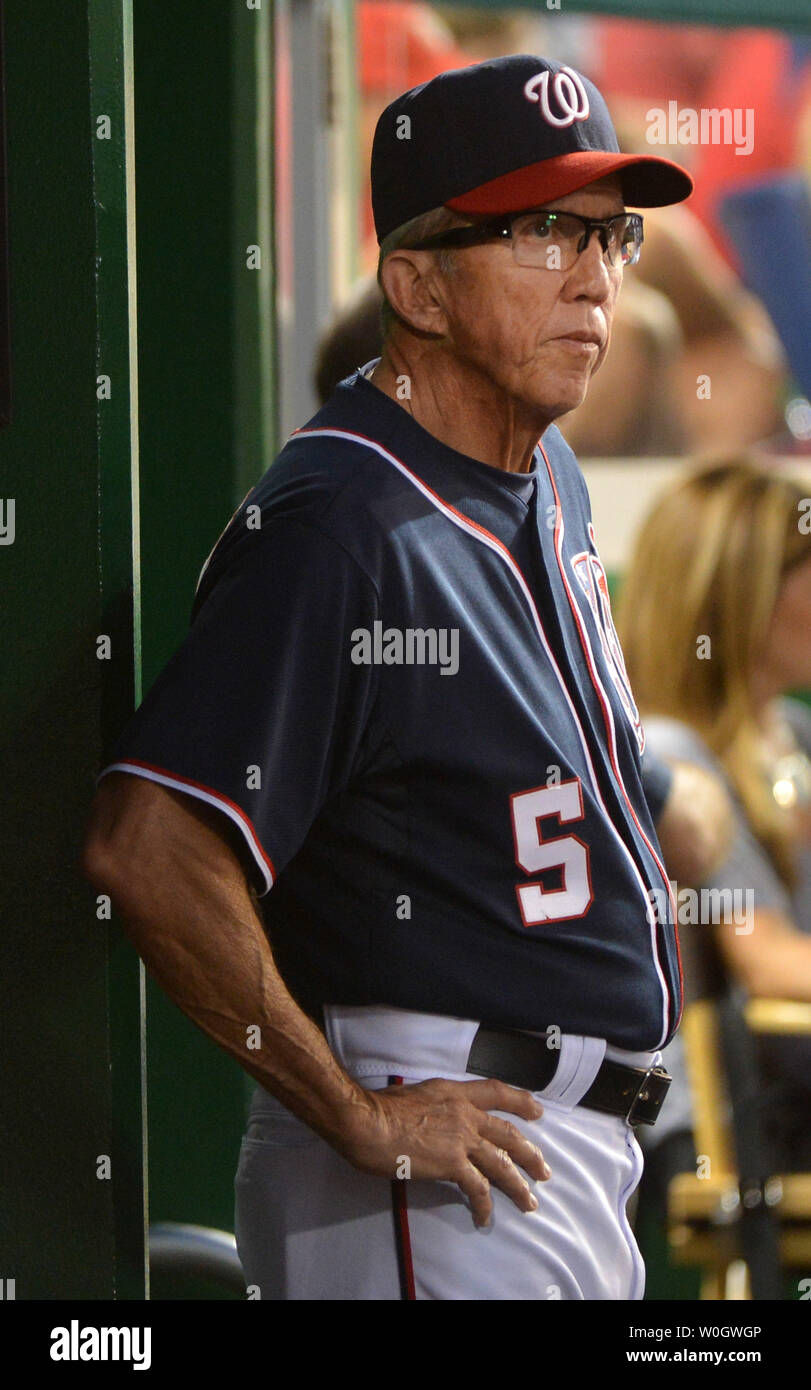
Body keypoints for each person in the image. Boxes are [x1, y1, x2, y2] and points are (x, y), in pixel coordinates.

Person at [82, 54, 695, 1301]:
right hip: (439, 1148)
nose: (593, 278)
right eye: (539, 232)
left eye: (609, 235)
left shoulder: (544, 471)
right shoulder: (341, 522)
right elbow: (145, 848)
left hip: (565, 1155)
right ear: (415, 282)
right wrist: (357, 1114)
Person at [615, 458, 811, 1177]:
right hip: (730, 1129)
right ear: (739, 592)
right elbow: (768, 963)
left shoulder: (791, 733)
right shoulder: (673, 756)